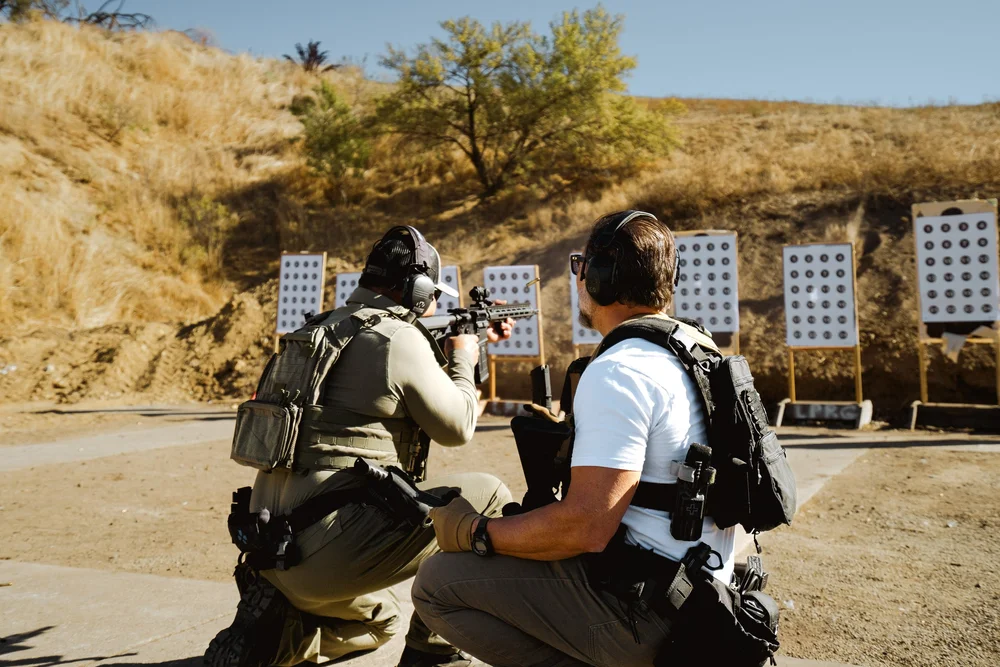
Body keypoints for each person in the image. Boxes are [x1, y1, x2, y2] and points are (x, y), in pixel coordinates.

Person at [411, 211, 741, 666]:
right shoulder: (695, 349)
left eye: (580, 267)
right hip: (703, 591)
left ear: (600, 278)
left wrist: (477, 532)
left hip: (650, 615)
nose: (578, 281)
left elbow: (586, 528)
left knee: (437, 583)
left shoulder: (620, 370)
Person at [206, 226, 514, 667]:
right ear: (421, 288)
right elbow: (458, 427)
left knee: (381, 622)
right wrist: (465, 356)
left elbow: (376, 386)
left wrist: (461, 349)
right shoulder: (399, 339)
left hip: (270, 548)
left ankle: (277, 643)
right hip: (325, 553)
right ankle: (434, 655)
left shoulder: (318, 330)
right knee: (488, 497)